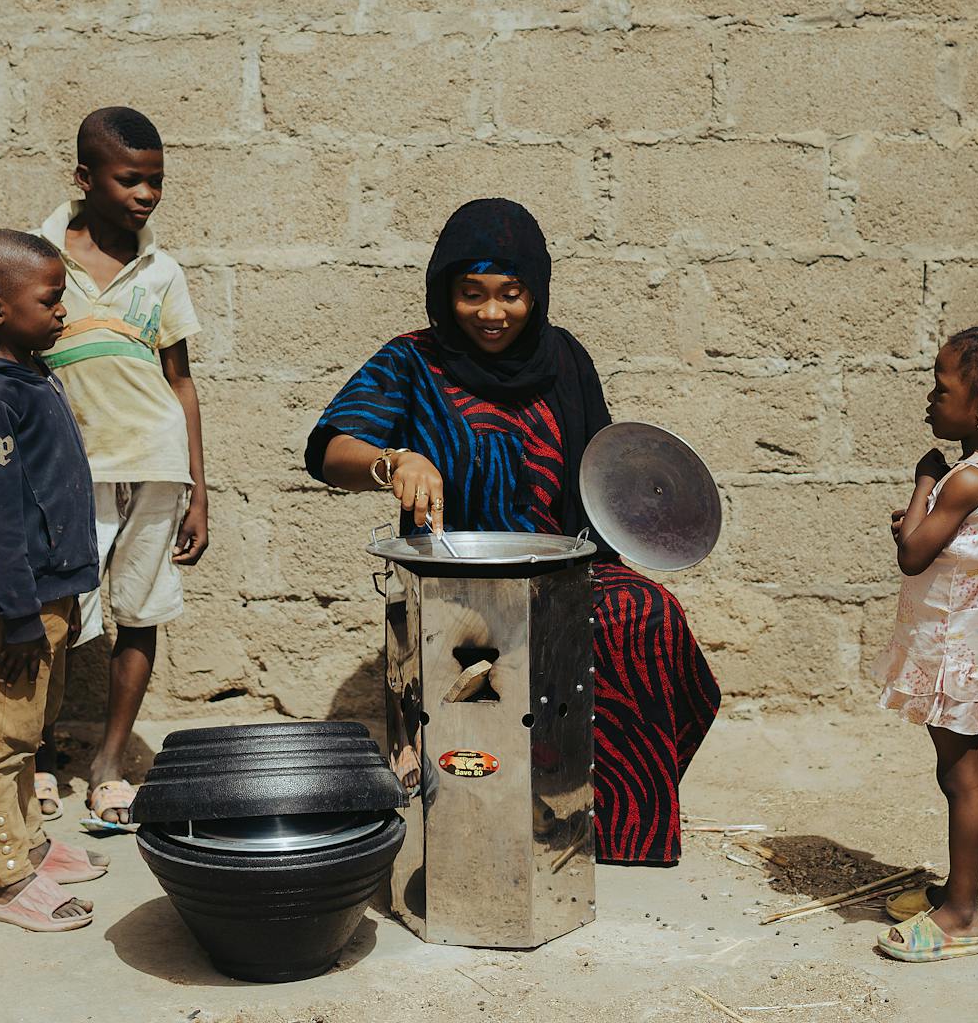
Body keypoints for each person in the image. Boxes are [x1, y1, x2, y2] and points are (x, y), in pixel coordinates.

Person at [305, 198, 720, 865]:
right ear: (446, 292)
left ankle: (606, 829)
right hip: (456, 587)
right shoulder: (412, 363)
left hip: (563, 575)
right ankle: (484, 825)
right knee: (481, 664)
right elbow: (328, 449)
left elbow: (601, 475)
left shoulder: (564, 360)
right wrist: (393, 460)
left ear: (537, 292)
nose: (491, 313)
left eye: (511, 294)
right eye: (471, 294)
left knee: (647, 615)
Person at [30, 107, 207, 831]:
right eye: (130, 179)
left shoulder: (161, 272)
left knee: (138, 612)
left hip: (156, 464)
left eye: (155, 182)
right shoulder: (38, 257)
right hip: (71, 469)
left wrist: (200, 490)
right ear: (83, 179)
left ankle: (108, 765)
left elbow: (181, 379)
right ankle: (36, 754)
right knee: (53, 615)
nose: (146, 195)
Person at [0, 230, 109, 932]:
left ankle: (33, 845)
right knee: (3, 739)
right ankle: (9, 880)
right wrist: (15, 614)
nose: (62, 313)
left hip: (52, 594)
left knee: (31, 726)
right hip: (21, 600)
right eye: (48, 301)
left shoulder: (32, 376)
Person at [873, 325, 978, 963]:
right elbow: (947, 544)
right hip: (968, 643)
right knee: (963, 771)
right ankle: (958, 888)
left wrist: (924, 482)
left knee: (962, 776)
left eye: (940, 386)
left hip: (955, 650)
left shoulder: (965, 479)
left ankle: (962, 915)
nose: (929, 396)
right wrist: (926, 508)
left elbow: (915, 554)